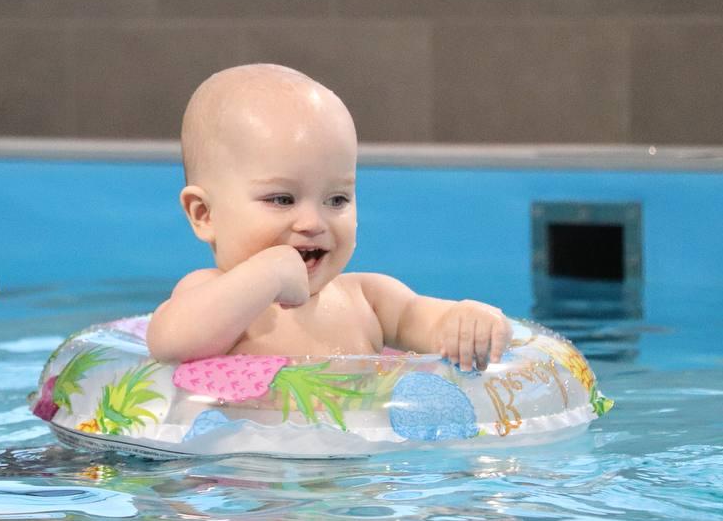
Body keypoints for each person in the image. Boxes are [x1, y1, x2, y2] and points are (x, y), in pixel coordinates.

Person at [146, 63, 509, 372]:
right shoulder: (207, 293)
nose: (313, 222)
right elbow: (171, 343)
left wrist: (467, 319)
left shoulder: (368, 298)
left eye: (336, 199)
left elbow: (424, 319)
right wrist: (268, 274)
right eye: (282, 199)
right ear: (204, 214)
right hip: (246, 456)